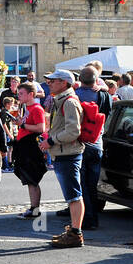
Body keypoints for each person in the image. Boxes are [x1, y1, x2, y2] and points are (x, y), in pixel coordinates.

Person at [44, 70, 87, 248]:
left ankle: (76, 234)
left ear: (64, 83)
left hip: (68, 153)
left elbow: (73, 131)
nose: (50, 84)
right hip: (64, 152)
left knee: (74, 196)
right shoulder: (62, 100)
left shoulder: (69, 102)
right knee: (72, 195)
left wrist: (52, 140)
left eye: (53, 81)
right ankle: (74, 230)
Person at [72, 66, 110, 230]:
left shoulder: (75, 96)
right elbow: (107, 116)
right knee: (92, 184)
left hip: (79, 143)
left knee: (81, 184)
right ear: (96, 79)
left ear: (80, 79)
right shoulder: (104, 95)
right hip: (97, 142)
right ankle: (93, 217)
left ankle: (86, 218)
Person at [13, 82, 48, 219]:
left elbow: (41, 128)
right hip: (23, 145)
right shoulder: (26, 107)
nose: (18, 96)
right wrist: (21, 123)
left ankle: (35, 209)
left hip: (31, 146)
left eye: (21, 93)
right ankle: (33, 208)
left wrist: (24, 124)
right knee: (28, 179)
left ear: (31, 94)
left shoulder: (36, 108)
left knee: (32, 178)